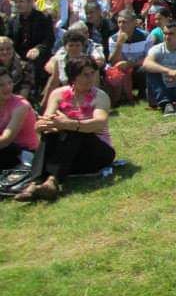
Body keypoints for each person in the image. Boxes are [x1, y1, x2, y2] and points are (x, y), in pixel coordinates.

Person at [16, 57, 114, 202]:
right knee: (50, 133)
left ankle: (52, 180)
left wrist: (69, 123)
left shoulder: (100, 96)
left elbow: (99, 123)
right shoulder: (58, 94)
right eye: (85, 75)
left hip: (96, 151)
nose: (90, 78)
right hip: (69, 155)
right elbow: (47, 120)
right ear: (73, 76)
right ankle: (36, 182)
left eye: (92, 73)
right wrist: (44, 125)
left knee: (73, 129)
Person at [6, 0, 54, 100]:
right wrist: (13, 54)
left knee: (32, 65)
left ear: (30, 1)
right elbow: (9, 40)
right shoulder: (13, 20)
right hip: (17, 56)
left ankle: (31, 97)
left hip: (38, 56)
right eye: (16, 2)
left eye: (21, 1)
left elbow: (49, 39)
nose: (18, 4)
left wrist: (38, 49)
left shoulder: (43, 18)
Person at [105, 9, 150, 106]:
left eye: (124, 22)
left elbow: (149, 58)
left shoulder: (145, 37)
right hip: (121, 70)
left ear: (134, 23)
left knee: (145, 69)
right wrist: (119, 45)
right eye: (119, 22)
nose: (121, 25)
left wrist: (130, 64)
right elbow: (112, 61)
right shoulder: (113, 38)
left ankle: (142, 93)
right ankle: (121, 96)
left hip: (137, 67)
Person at [0, 66, 38, 169]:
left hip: (23, 153)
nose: (7, 87)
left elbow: (6, 140)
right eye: (1, 85)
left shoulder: (21, 105)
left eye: (9, 83)